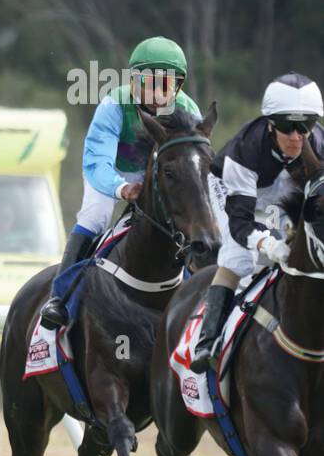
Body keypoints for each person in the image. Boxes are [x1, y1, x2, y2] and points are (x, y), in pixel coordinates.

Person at [40, 36, 202, 328]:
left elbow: (197, 167)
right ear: (133, 82)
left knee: (189, 220)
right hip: (112, 171)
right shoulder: (114, 103)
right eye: (147, 82)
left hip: (159, 175)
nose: (155, 92)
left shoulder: (189, 111)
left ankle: (198, 299)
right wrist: (120, 187)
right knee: (95, 217)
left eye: (164, 84)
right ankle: (59, 299)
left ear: (177, 86)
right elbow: (98, 160)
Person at [190, 73, 324, 372]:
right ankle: (207, 340)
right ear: (271, 123)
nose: (297, 136)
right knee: (240, 259)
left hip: (282, 190)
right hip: (232, 188)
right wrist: (269, 244)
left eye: (307, 125)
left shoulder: (320, 146)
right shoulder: (246, 150)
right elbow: (240, 223)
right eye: (288, 126)